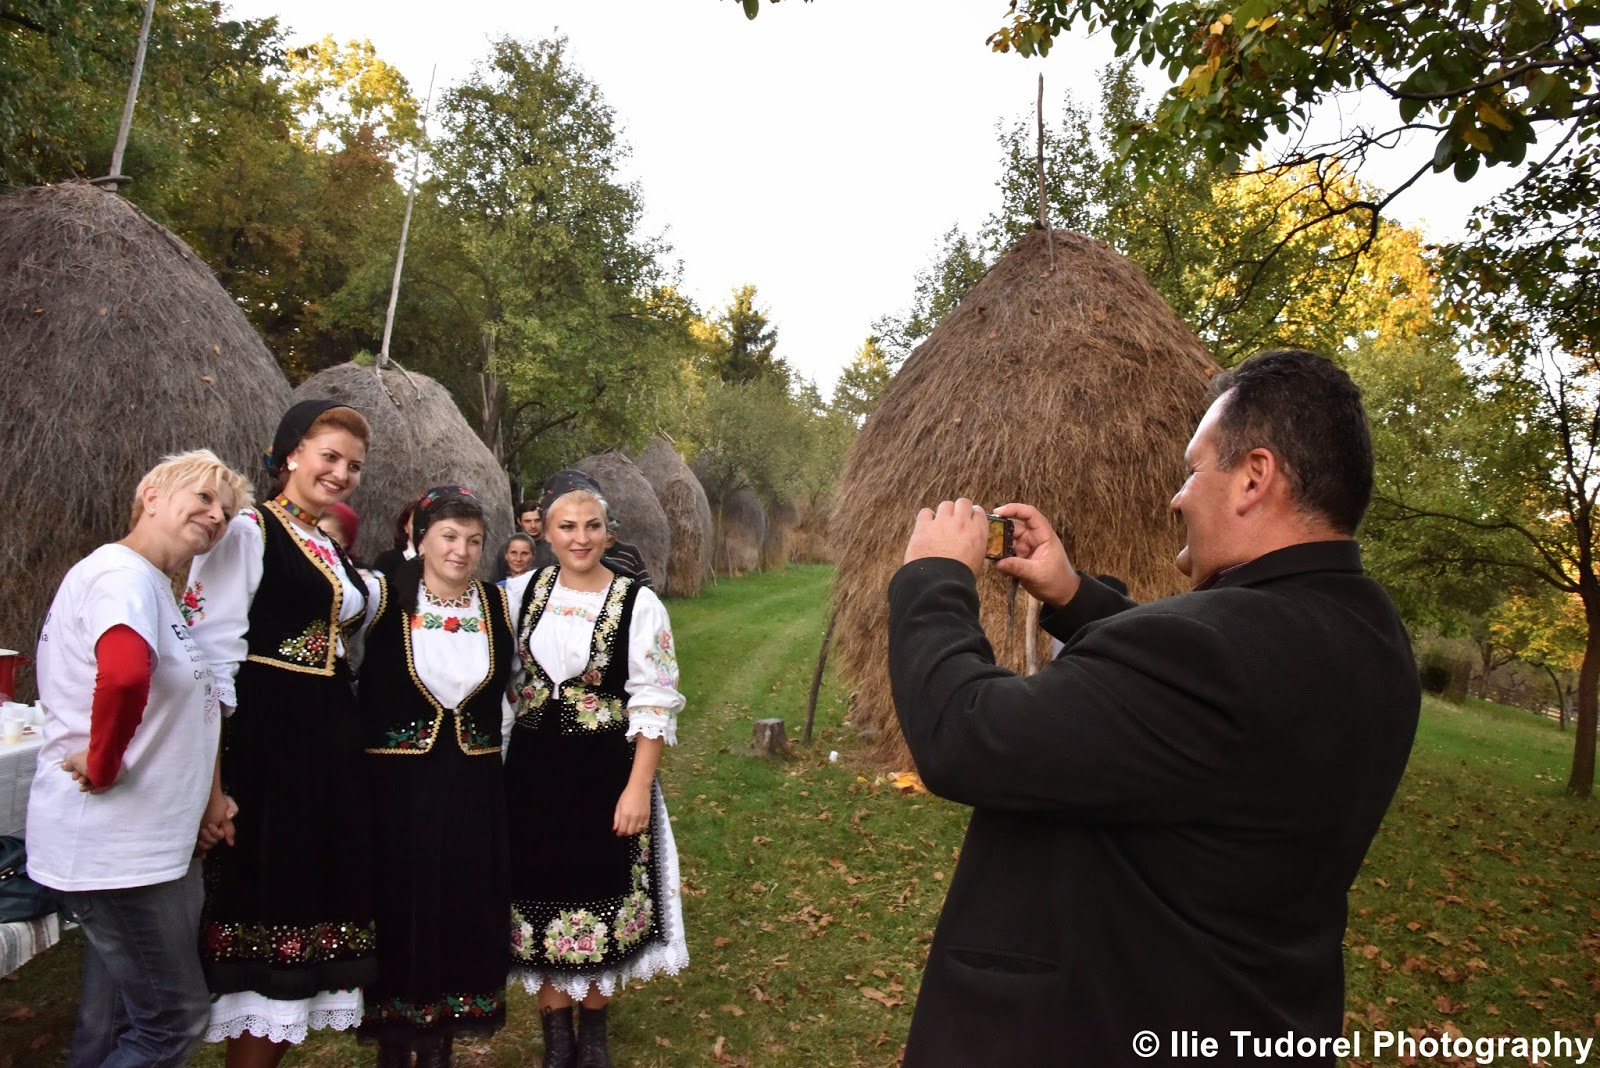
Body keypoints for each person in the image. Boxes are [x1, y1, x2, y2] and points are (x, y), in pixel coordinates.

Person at [886, 350, 1420, 1066]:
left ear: (1254, 478)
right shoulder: (1368, 638)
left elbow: (965, 735)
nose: (1176, 496)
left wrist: (933, 580)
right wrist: (1073, 594)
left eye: (1194, 469)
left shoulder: (1216, 655)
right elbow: (1184, 712)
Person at [27, 449, 252, 1068]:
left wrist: (206, 798)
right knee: (172, 1021)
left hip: (153, 844)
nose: (215, 515)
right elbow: (124, 674)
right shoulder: (120, 576)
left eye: (225, 511)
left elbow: (187, 705)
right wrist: (102, 763)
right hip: (117, 850)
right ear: (151, 494)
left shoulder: (155, 586)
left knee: (117, 1021)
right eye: (203, 498)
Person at [186, 400, 383, 1064]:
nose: (341, 473)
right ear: (290, 453)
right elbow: (210, 660)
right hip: (271, 750)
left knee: (304, 931)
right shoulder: (247, 532)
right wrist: (214, 785)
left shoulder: (322, 540)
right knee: (267, 929)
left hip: (327, 751)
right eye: (329, 456)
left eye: (353, 465)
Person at [502, 472, 687, 1068]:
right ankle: (557, 1036)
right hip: (531, 775)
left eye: (592, 526)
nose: (580, 538)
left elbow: (653, 698)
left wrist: (637, 787)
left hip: (605, 773)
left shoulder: (639, 603)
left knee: (602, 888)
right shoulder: (519, 593)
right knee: (540, 892)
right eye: (567, 527)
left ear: (608, 534)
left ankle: (596, 1034)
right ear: (545, 533)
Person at [357, 488, 514, 1068]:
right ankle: (395, 1046)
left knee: (460, 905)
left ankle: (442, 1040)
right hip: (396, 790)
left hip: (472, 786)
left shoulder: (497, 606)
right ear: (419, 537)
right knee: (400, 906)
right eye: (449, 536)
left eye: (474, 540)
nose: (462, 550)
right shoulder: (380, 599)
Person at [371, 502, 416, 578]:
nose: (420, 528)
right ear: (405, 527)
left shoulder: (436, 561)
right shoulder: (386, 561)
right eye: (415, 523)